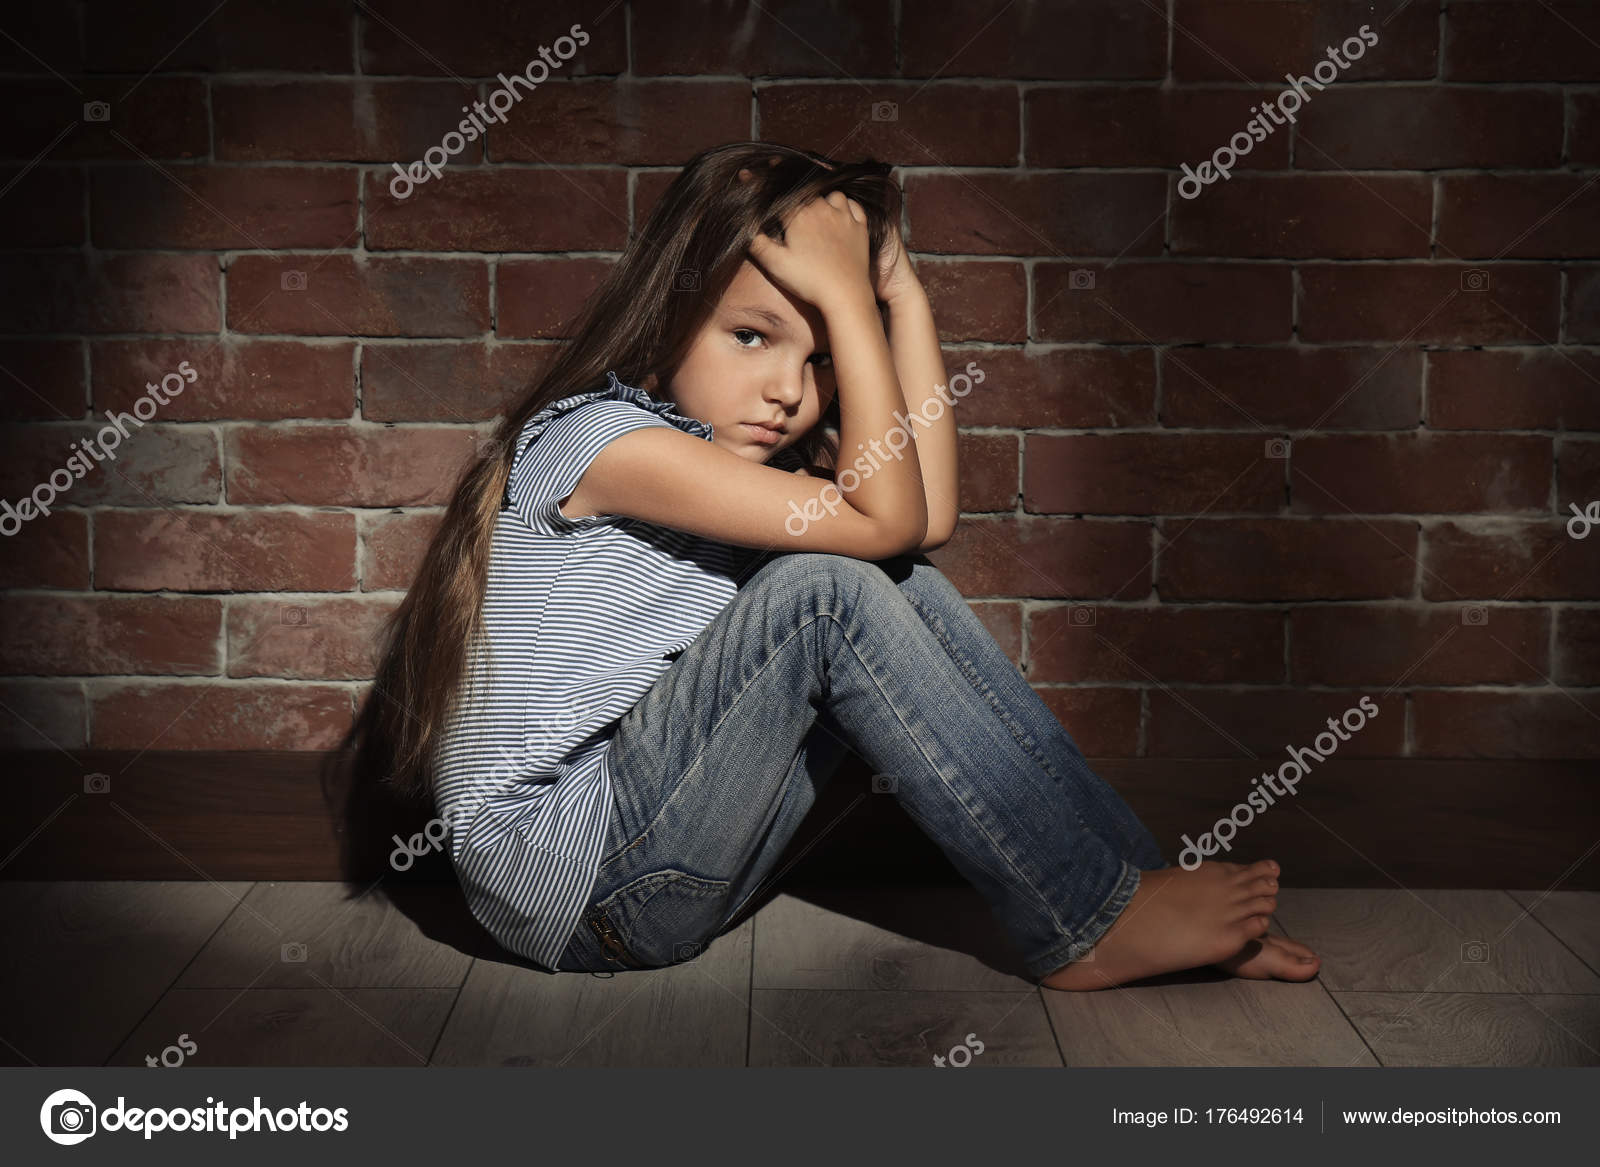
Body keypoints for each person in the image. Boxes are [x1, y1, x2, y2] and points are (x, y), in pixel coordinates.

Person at [353, 141, 1321, 991]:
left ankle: (1130, 892)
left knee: (894, 585)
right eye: (751, 337)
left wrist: (900, 290)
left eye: (818, 359)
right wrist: (851, 298)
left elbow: (924, 522)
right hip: (582, 883)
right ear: (667, 311)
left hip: (648, 859)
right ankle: (1091, 919)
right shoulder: (603, 442)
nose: (788, 391)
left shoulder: (727, 465)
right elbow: (892, 519)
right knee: (826, 592)